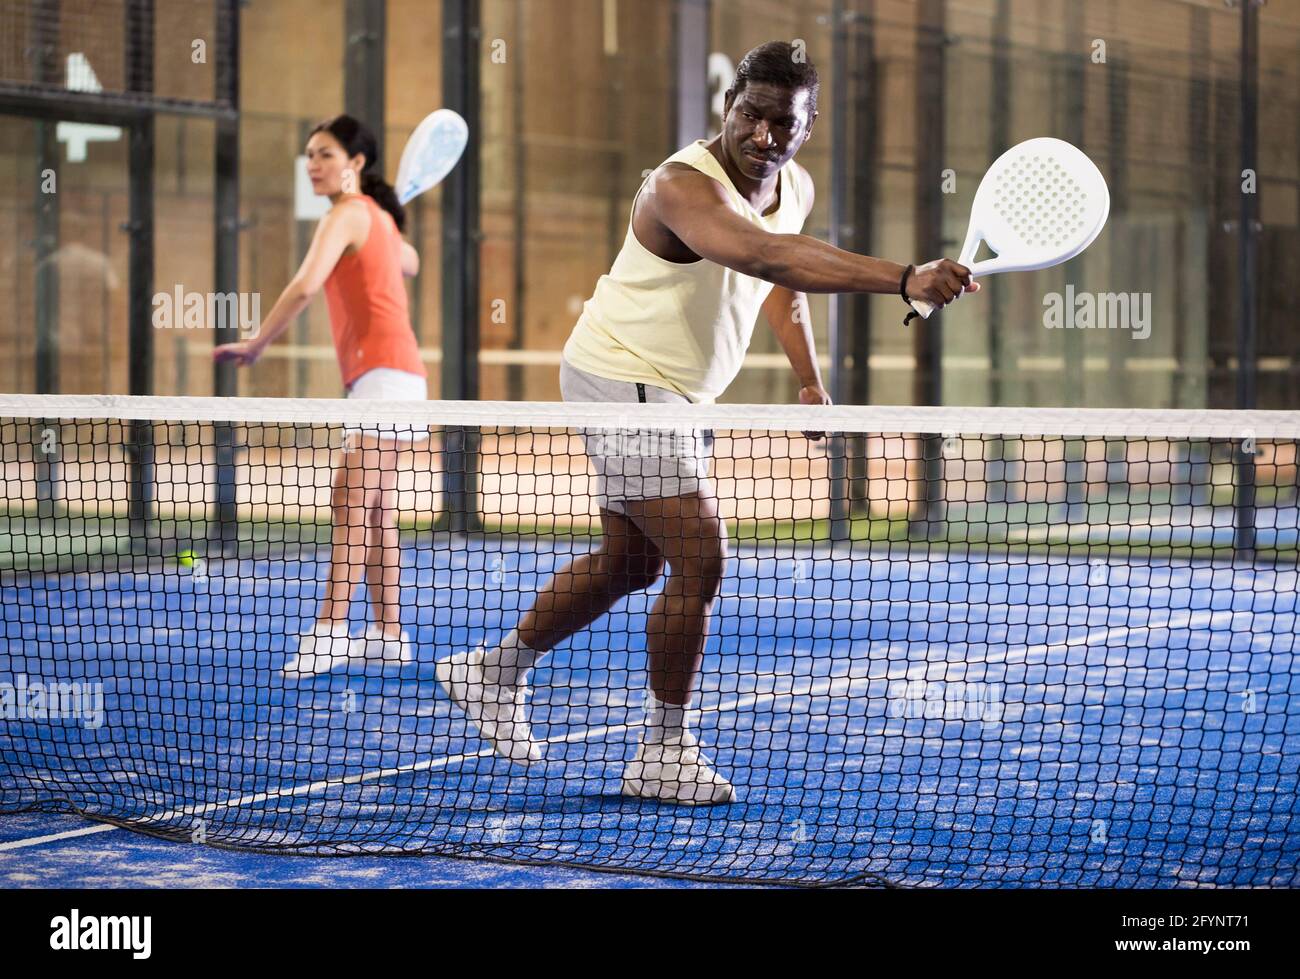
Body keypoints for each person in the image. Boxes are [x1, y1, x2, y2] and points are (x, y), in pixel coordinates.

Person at [438, 41, 978, 802]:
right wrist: (903, 278)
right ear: (729, 109)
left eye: (783, 123)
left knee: (633, 562)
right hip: (623, 375)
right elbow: (765, 257)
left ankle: (490, 671)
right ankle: (663, 753)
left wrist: (810, 381)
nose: (764, 135)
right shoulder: (678, 186)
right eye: (751, 115)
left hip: (678, 394)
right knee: (702, 555)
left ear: (807, 126)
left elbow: (781, 289)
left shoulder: (794, 187)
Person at [214, 115, 429, 675]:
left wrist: (260, 341)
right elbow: (410, 261)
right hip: (390, 378)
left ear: (355, 163)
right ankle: (388, 634)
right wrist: (388, 219)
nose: (313, 164)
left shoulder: (346, 214)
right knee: (374, 508)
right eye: (309, 154)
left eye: (326, 154)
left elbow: (308, 283)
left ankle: (330, 632)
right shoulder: (375, 217)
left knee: (351, 500)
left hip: (386, 378)